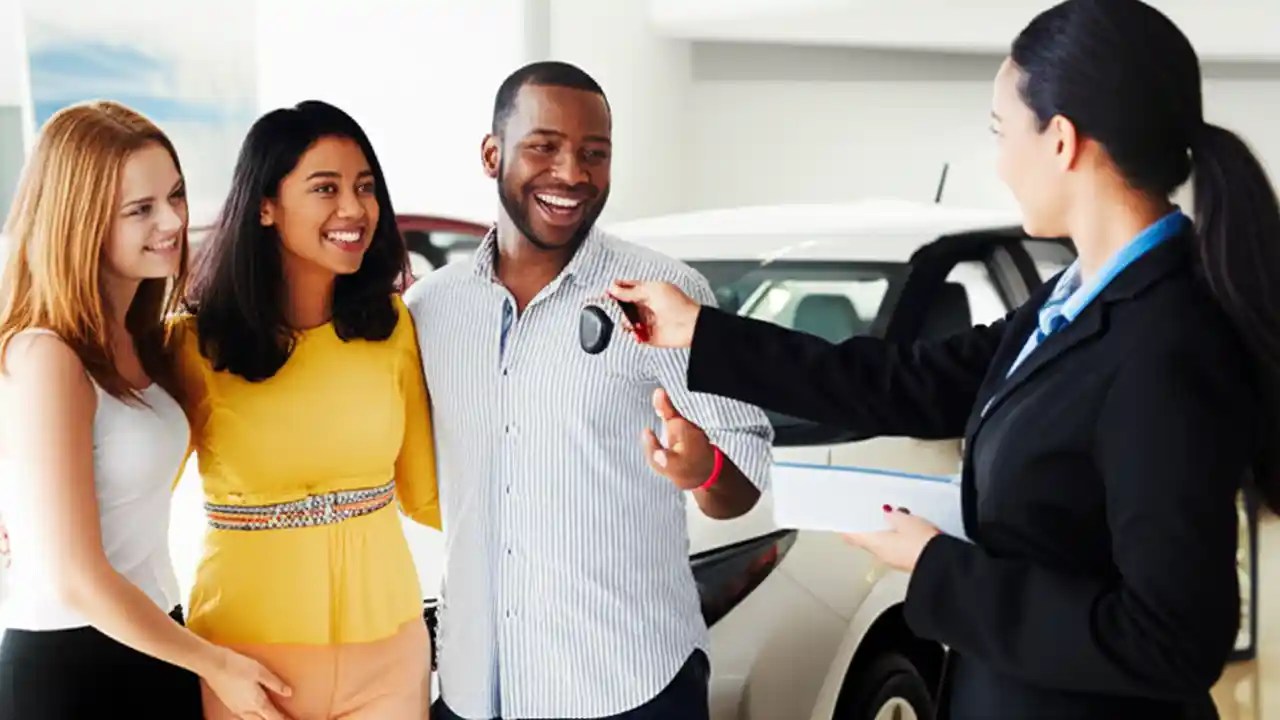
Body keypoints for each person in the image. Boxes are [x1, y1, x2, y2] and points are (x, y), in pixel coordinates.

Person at [607, 1, 1280, 718]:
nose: (1001, 163)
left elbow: (1170, 640)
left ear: (1060, 141)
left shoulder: (1165, 343)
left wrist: (938, 568)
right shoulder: (1075, 299)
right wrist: (699, 332)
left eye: (1001, 132)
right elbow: (907, 382)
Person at [404, 61, 774, 720]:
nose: (572, 173)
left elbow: (742, 482)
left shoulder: (664, 294)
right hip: (474, 686)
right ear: (492, 155)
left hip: (628, 685)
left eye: (594, 153)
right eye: (544, 146)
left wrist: (705, 469)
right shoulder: (431, 309)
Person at [0, 101, 290, 719]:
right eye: (141, 209)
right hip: (70, 668)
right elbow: (76, 577)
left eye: (176, 195)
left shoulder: (142, 341)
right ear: (78, 221)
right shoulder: (46, 355)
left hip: (155, 639)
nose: (173, 220)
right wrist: (215, 663)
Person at [172, 100, 441, 719]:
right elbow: (128, 490)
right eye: (326, 188)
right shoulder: (192, 344)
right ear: (265, 205)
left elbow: (427, 495)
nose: (354, 209)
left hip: (389, 653)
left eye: (365, 188)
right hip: (245, 661)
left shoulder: (393, 325)